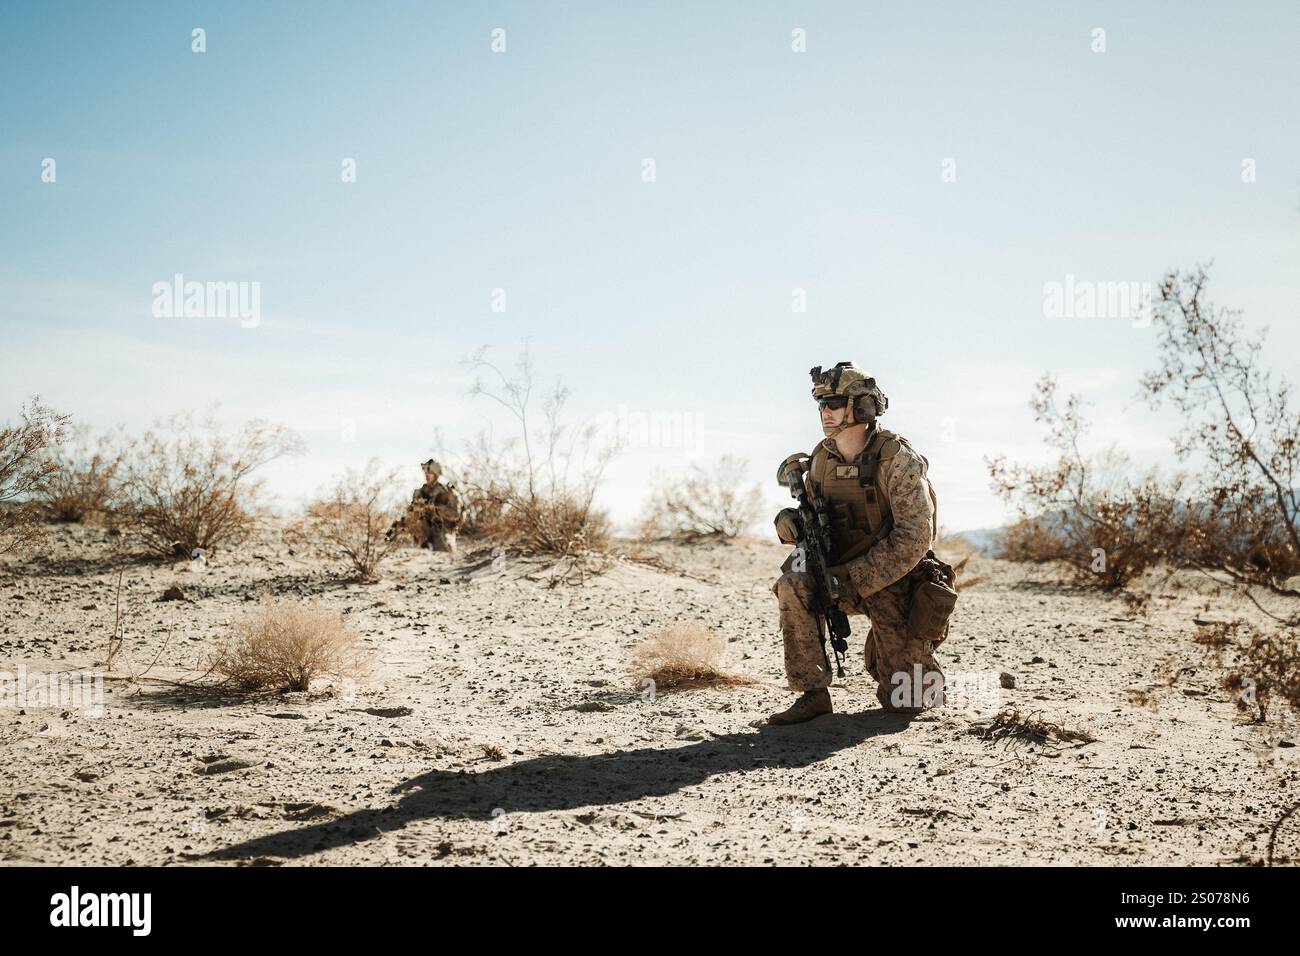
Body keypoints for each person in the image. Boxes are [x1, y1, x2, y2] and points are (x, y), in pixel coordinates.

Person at [768, 362, 944, 724]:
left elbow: (915, 537)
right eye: (821, 404)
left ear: (861, 408)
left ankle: (897, 655)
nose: (824, 412)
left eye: (833, 402)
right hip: (836, 575)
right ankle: (812, 693)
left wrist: (853, 577)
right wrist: (790, 524)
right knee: (793, 585)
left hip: (896, 581)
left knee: (907, 701)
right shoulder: (820, 460)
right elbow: (817, 521)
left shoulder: (896, 459)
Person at [398, 458, 462, 555]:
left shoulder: (447, 492)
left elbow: (456, 514)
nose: (427, 475)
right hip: (424, 530)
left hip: (442, 530)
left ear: (436, 474)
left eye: (430, 472)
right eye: (425, 472)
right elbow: (411, 513)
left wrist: (436, 510)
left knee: (445, 551)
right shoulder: (420, 492)